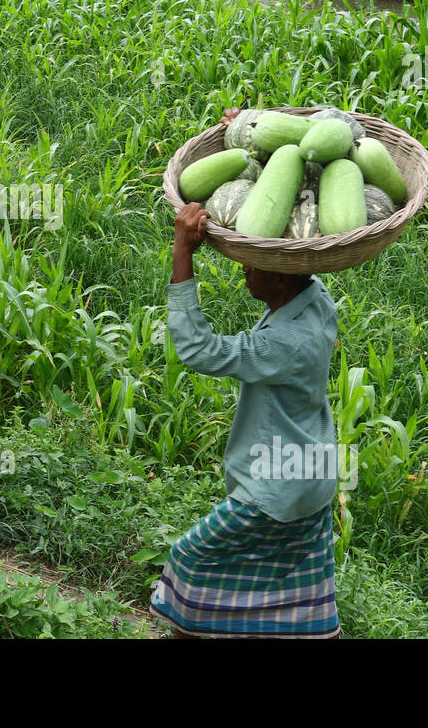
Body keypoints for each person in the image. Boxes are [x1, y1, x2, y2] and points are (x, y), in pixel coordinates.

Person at [150, 108, 342, 639]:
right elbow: (295, 201)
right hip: (310, 474)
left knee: (190, 559)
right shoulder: (313, 300)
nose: (244, 270)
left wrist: (182, 253)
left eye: (253, 263)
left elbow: (198, 350)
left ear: (280, 276)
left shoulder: (285, 342)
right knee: (290, 588)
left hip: (276, 484)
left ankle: (191, 629)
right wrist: (250, 132)